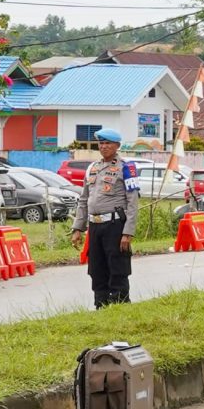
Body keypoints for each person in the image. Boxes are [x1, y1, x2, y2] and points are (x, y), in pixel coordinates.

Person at [73, 128, 136, 308]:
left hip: (115, 225)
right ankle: (101, 305)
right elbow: (83, 200)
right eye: (101, 143)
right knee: (96, 268)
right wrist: (78, 228)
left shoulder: (127, 168)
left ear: (117, 145)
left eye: (108, 143)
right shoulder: (92, 168)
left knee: (117, 267)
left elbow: (132, 202)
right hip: (95, 225)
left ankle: (120, 304)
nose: (104, 146)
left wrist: (128, 232)